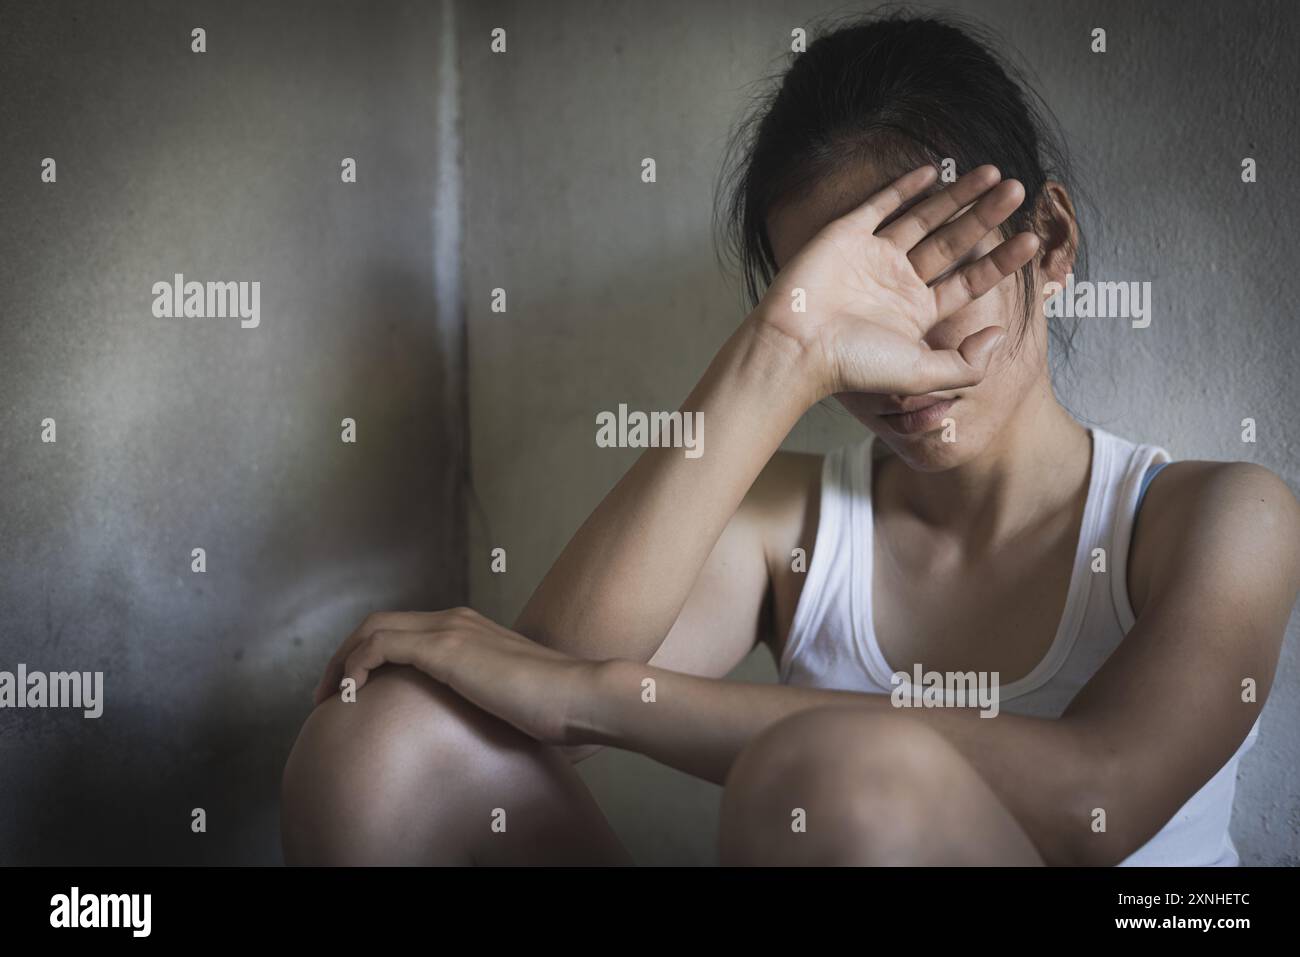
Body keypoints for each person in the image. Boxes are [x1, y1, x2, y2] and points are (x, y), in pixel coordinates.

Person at [280, 13, 1299, 866]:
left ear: (1055, 243)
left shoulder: (1218, 516)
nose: (897, 355)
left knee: (827, 777)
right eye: (851, 300)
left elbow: (1099, 801)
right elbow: (534, 704)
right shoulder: (798, 523)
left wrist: (601, 695)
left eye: (934, 269)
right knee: (387, 737)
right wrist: (783, 349)